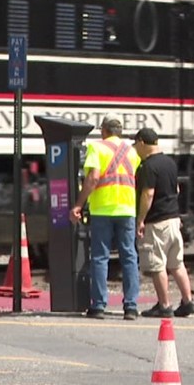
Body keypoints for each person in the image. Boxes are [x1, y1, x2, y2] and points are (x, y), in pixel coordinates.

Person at [69, 117, 141, 320]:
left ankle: (99, 305)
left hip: (103, 209)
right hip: (127, 209)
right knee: (129, 257)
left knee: (100, 257)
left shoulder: (97, 148)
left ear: (104, 131)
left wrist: (78, 205)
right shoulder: (132, 152)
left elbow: (92, 178)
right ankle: (131, 307)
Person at [133, 128, 194, 318]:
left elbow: (148, 193)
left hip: (157, 222)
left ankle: (164, 305)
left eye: (136, 144)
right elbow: (176, 189)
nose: (135, 148)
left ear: (142, 143)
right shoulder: (169, 162)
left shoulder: (148, 166)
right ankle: (188, 301)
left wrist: (141, 219)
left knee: (157, 265)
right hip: (173, 219)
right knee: (177, 264)